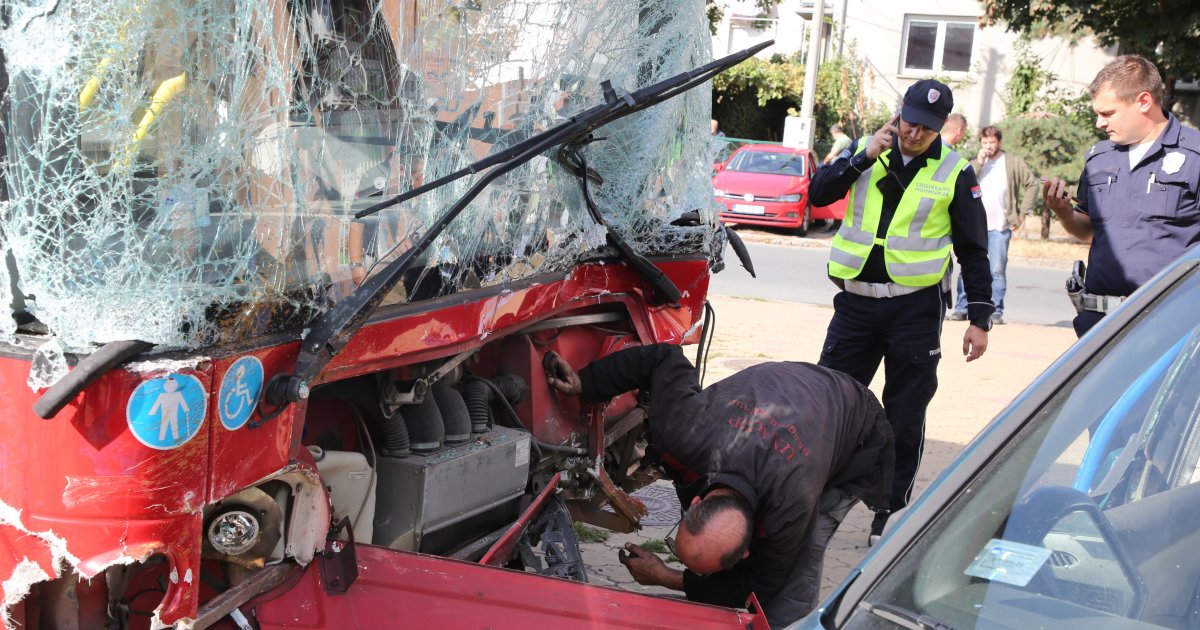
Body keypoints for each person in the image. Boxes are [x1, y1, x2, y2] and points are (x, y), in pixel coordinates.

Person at [543, 344, 894, 627]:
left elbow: (762, 583)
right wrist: (587, 383)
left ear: (747, 551)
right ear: (697, 504)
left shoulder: (791, 505)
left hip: (853, 427)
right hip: (783, 390)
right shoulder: (684, 432)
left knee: (789, 589)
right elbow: (663, 357)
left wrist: (668, 577)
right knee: (735, 585)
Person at [808, 79, 994, 546]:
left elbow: (974, 250)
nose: (914, 133)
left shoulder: (956, 171)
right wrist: (862, 156)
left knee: (904, 415)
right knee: (829, 405)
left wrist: (981, 317)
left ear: (941, 128)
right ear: (899, 112)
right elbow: (817, 194)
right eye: (910, 122)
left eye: (926, 129)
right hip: (855, 305)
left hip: (914, 309)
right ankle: (807, 500)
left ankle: (889, 512)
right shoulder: (865, 152)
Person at [1043, 55, 1200, 337]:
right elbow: (1090, 231)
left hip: (1171, 324)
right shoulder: (1099, 158)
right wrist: (1064, 212)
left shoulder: (1194, 156)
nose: (1099, 123)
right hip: (1099, 323)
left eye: (1108, 113)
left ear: (1143, 102)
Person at [949, 126, 1039, 324]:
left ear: (999, 142)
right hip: (974, 227)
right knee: (967, 268)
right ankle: (962, 308)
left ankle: (996, 311)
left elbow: (1032, 184)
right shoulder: (973, 164)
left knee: (996, 270)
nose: (988, 146)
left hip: (1000, 226)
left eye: (992, 142)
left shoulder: (1012, 162)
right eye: (984, 143)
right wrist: (979, 163)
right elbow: (962, 184)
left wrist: (1023, 213)